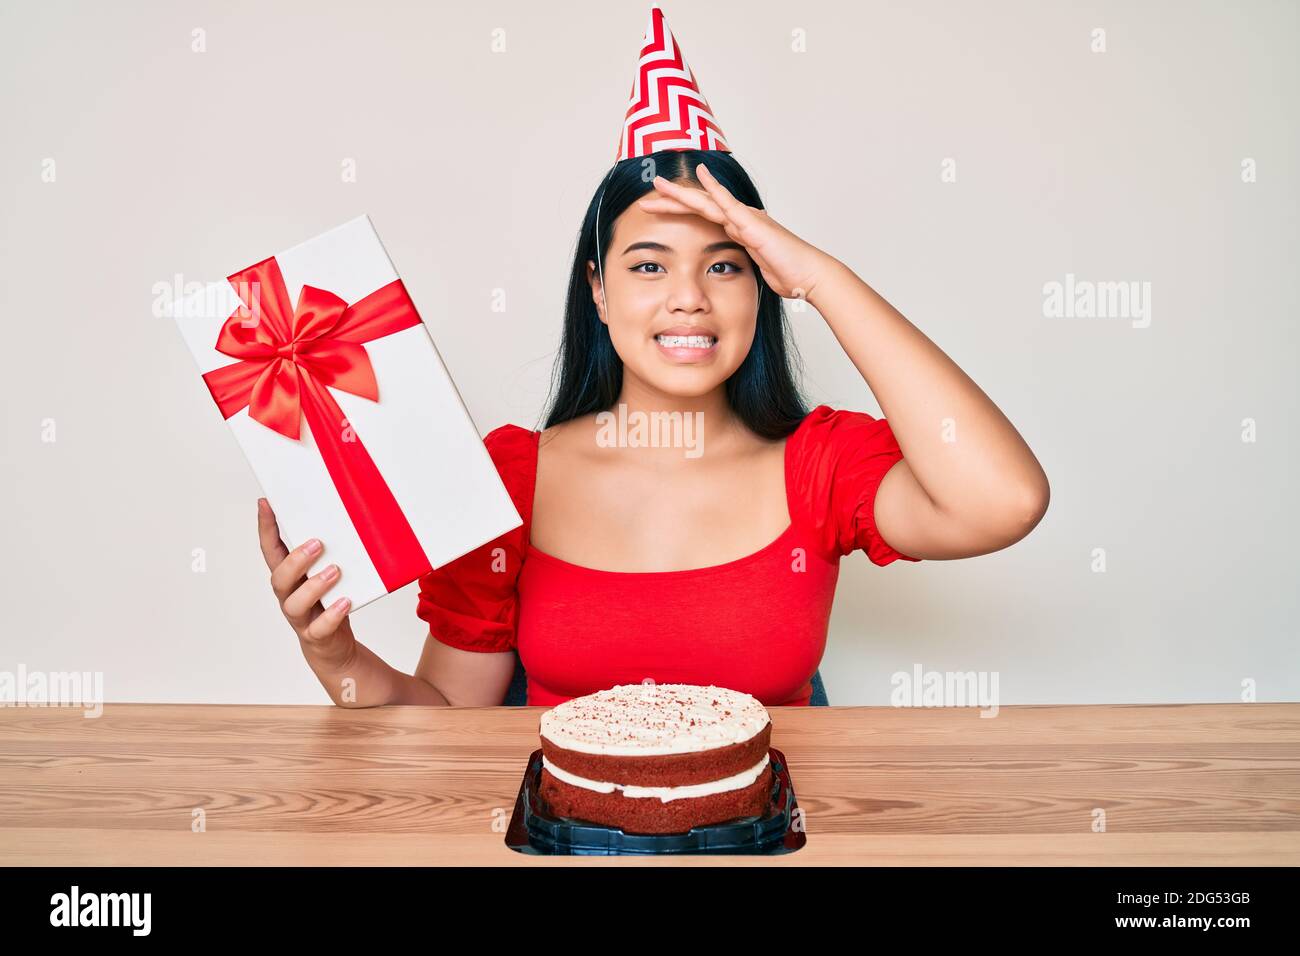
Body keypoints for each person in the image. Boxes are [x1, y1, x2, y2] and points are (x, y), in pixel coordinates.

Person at [256, 10, 1049, 709]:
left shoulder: (819, 467)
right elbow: (449, 727)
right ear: (597, 290)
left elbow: (1004, 500)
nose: (689, 297)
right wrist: (337, 656)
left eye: (726, 263)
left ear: (763, 282)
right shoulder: (511, 482)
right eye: (647, 264)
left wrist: (821, 277)